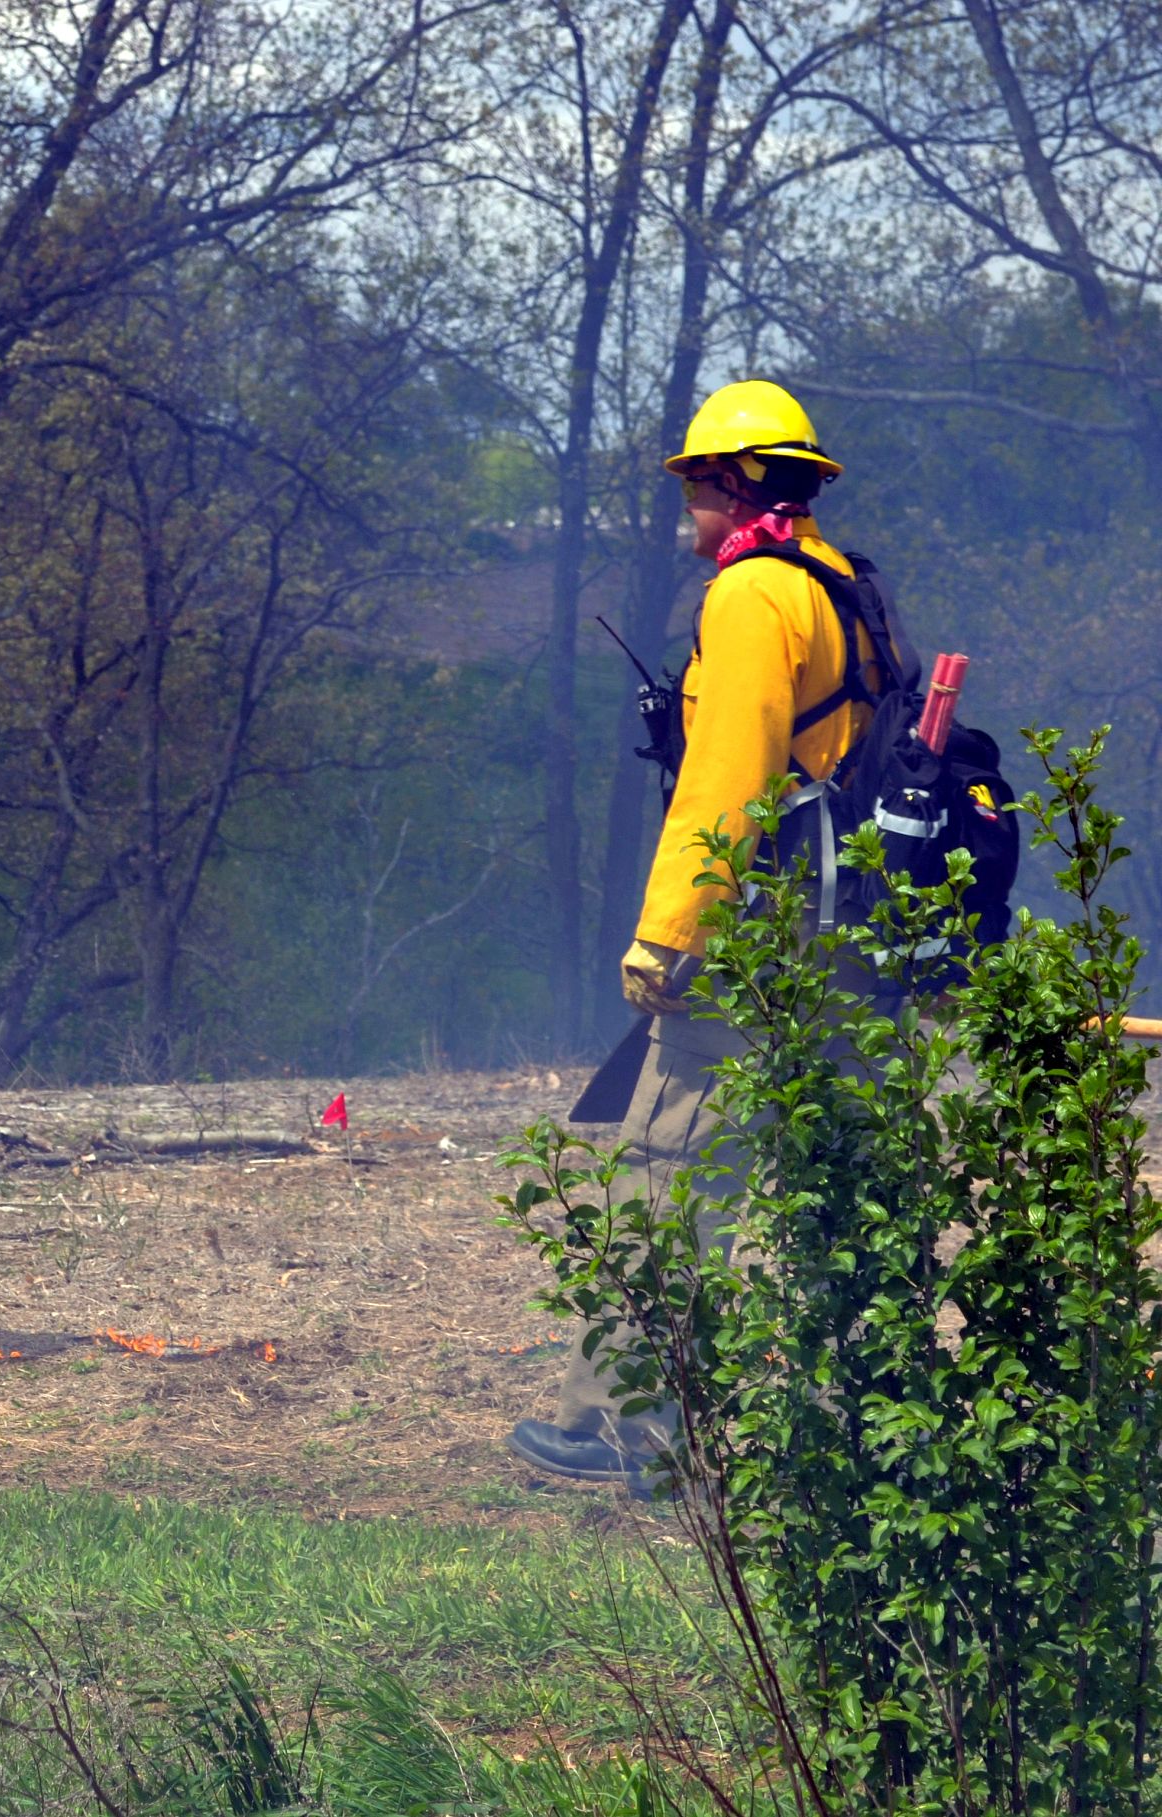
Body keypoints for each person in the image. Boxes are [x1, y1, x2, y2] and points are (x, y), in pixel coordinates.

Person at [508, 380, 893, 1487]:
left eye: (698, 485)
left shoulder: (752, 597)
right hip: (846, 933)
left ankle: (623, 1429)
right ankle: (856, 1429)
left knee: (668, 1165)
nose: (690, 509)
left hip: (754, 933)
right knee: (838, 1176)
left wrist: (667, 930)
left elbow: (726, 781)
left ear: (739, 483)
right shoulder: (840, 587)